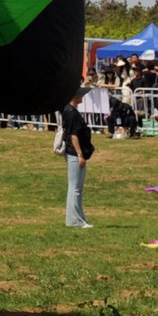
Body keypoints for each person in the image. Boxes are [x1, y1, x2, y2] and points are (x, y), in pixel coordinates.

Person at [57, 84, 95, 229]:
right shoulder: (71, 112)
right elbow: (74, 135)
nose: (83, 97)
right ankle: (75, 220)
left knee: (76, 188)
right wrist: (80, 154)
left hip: (73, 152)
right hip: (74, 153)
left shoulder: (69, 110)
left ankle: (77, 218)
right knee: (75, 188)